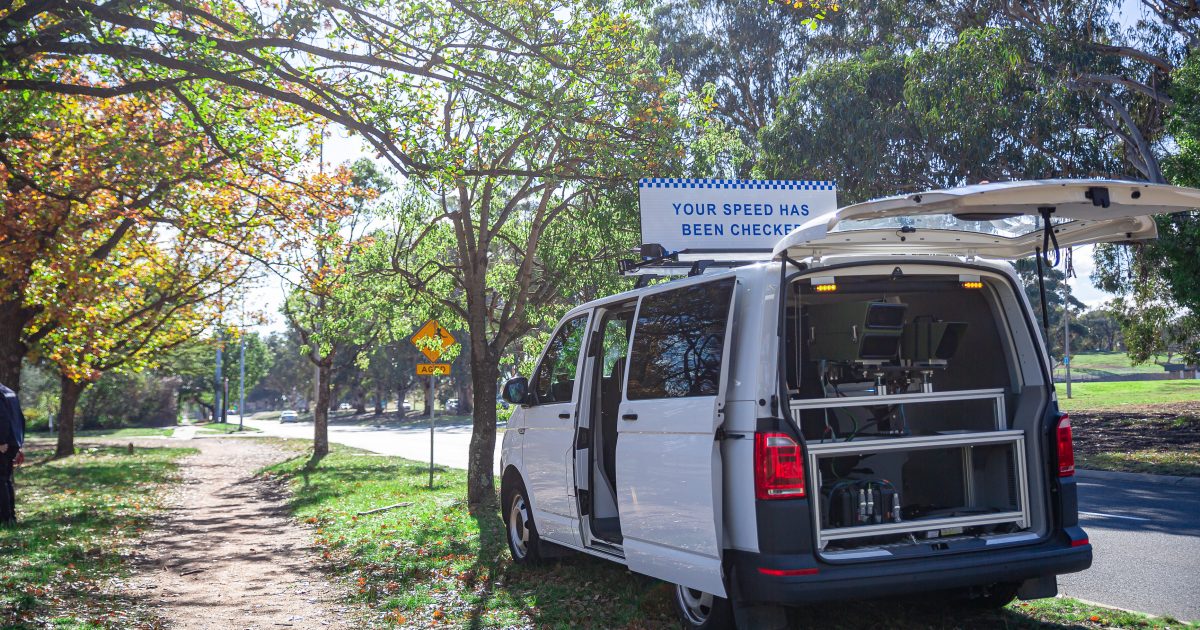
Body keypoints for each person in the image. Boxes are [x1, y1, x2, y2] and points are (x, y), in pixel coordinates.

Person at [0, 382, 26, 526]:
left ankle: (5, 518)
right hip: (13, 441)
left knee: (1, 480)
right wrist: (19, 443)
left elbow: (2, 417)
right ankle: (11, 517)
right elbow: (20, 418)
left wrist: (1, 441)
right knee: (6, 480)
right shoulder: (9, 391)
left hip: (3, 443)